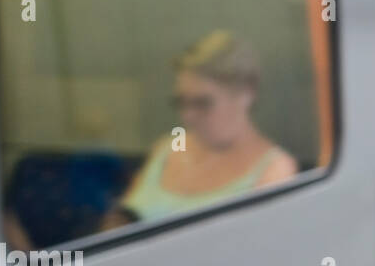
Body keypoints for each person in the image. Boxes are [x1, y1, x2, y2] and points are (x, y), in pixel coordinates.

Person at [101, 30, 298, 227]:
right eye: (181, 102)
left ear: (245, 95)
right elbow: (121, 221)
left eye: (202, 103)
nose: (187, 116)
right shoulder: (169, 147)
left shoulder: (274, 171)